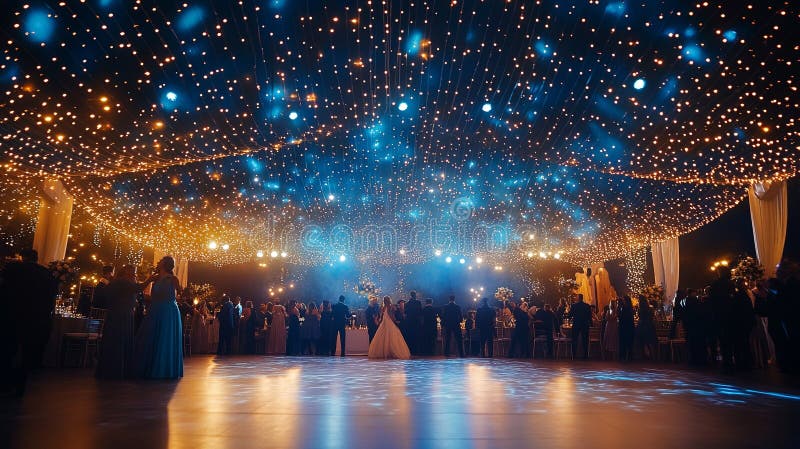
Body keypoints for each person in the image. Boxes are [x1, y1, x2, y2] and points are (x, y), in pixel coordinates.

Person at [0, 249, 59, 396]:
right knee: (27, 354)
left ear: (23, 257)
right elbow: (52, 298)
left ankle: (5, 383)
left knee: (7, 350)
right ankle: (20, 385)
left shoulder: (13, 268)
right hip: (36, 319)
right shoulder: (47, 274)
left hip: (12, 315)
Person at [132, 256, 183, 379]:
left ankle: (162, 368)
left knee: (163, 338)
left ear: (165, 264)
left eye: (160, 261)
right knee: (151, 337)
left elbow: (181, 292)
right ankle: (148, 366)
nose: (158, 262)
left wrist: (176, 295)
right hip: (155, 309)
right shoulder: (154, 278)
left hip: (168, 311)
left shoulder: (173, 278)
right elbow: (151, 295)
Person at [95, 265, 141, 379]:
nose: (135, 274)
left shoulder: (121, 282)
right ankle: (115, 370)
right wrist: (150, 279)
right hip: (120, 316)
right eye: (133, 272)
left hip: (123, 314)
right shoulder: (122, 281)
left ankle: (118, 369)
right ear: (126, 271)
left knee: (120, 340)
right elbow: (137, 288)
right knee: (118, 340)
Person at [568, 293, 592, 360]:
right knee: (585, 340)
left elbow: (570, 315)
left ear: (578, 298)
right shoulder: (587, 306)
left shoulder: (574, 306)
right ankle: (585, 355)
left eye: (576, 297)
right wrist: (591, 324)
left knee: (574, 339)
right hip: (585, 324)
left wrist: (569, 318)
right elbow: (589, 316)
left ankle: (574, 355)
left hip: (576, 324)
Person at [636, 295, 657, 360]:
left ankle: (643, 356)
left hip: (642, 326)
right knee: (650, 342)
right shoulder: (650, 308)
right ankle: (653, 356)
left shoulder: (640, 308)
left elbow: (639, 317)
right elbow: (653, 316)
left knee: (642, 342)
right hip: (649, 325)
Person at [405, 290, 423, 355]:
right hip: (416, 322)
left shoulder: (407, 303)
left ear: (410, 295)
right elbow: (420, 312)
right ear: (415, 295)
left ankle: (411, 351)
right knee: (417, 336)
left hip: (409, 322)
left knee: (410, 336)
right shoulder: (418, 302)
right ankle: (416, 351)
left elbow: (405, 312)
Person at [618, 295, 635, 361]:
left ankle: (623, 356)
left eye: (623, 300)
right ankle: (630, 356)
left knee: (623, 342)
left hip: (624, 327)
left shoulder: (624, 308)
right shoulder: (630, 308)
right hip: (630, 327)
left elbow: (620, 317)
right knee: (629, 343)